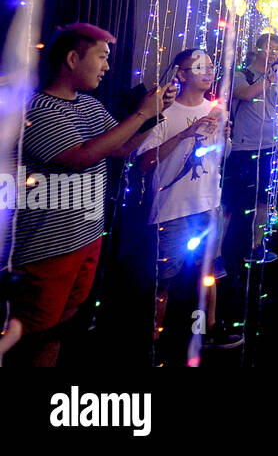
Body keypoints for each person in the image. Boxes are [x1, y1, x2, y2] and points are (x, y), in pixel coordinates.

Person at [7, 23, 175, 366]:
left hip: (86, 238)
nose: (107, 67)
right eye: (101, 57)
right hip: (47, 247)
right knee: (36, 335)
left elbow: (121, 147)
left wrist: (155, 117)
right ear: (72, 58)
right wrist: (143, 112)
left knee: (61, 327)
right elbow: (81, 156)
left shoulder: (89, 105)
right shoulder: (38, 110)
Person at [135, 49, 241, 358]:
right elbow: (143, 162)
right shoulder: (162, 111)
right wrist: (187, 133)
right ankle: (155, 340)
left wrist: (225, 138)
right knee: (164, 280)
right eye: (198, 67)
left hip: (209, 204)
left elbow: (222, 157)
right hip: (172, 209)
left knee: (208, 272)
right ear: (181, 74)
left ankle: (207, 329)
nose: (207, 71)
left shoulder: (217, 110)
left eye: (210, 66)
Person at [221, 33, 278, 269]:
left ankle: (255, 248)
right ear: (257, 49)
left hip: (269, 145)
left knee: (263, 200)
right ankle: (218, 255)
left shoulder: (277, 77)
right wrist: (269, 79)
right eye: (270, 47)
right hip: (243, 148)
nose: (274, 52)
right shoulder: (242, 74)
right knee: (232, 203)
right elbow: (244, 94)